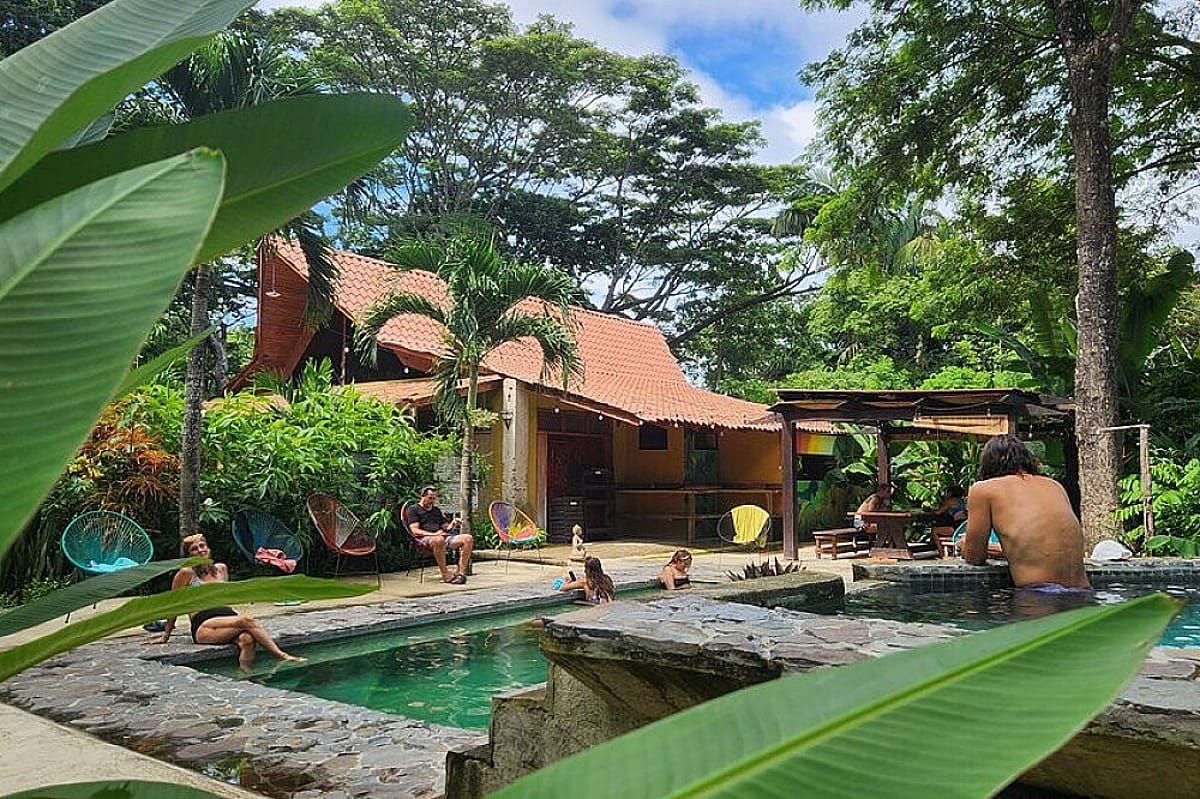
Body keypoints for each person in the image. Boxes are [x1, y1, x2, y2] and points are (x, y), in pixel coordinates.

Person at [147, 533, 305, 671]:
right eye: (194, 549)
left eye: (203, 546)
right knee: (247, 620)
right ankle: (282, 655)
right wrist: (166, 634)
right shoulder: (186, 573)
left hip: (227, 619)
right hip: (205, 625)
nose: (200, 550)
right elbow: (173, 605)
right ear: (189, 555)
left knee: (247, 640)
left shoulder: (221, 569)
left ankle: (246, 674)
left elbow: (227, 598)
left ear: (208, 548)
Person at [960, 435, 1090, 590]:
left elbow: (974, 557)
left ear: (988, 464)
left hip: (1039, 594)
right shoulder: (1055, 486)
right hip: (1083, 591)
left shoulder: (984, 489)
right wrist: (1001, 551)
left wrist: (965, 546)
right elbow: (1043, 548)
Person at [407, 485, 474, 584]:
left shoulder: (436, 510)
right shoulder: (414, 509)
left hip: (442, 536)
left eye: (434, 498)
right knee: (439, 540)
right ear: (423, 496)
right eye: (430, 498)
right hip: (425, 539)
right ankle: (445, 574)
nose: (432, 501)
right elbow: (415, 530)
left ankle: (460, 572)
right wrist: (433, 535)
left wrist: (453, 523)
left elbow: (446, 527)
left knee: (468, 538)